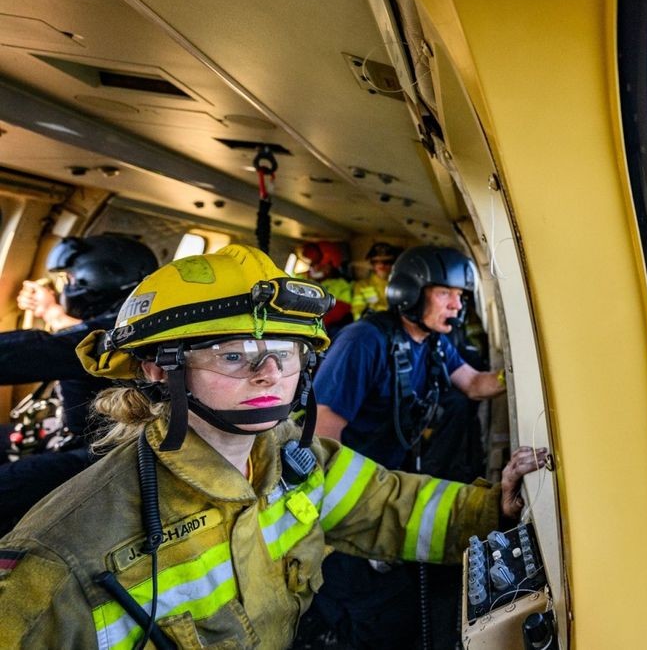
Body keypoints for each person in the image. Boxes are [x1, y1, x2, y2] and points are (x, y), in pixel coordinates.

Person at [0, 244, 546, 649]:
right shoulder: (59, 556)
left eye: (283, 352)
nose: (268, 375)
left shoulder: (299, 459)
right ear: (156, 368)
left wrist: (494, 506)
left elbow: (394, 507)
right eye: (233, 355)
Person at [299, 245, 506, 649]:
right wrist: (345, 520)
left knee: (398, 608)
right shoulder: (363, 342)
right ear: (411, 291)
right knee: (372, 613)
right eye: (446, 293)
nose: (456, 305)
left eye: (461, 297)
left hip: (384, 489)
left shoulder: (433, 342)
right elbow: (322, 439)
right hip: (348, 500)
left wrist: (525, 375)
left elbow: (475, 385)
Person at [0, 234, 158, 534]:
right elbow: (75, 338)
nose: (66, 287)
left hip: (101, 453)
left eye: (70, 279)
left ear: (98, 278)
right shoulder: (120, 321)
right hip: (66, 434)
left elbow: (50, 350)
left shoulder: (125, 332)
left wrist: (52, 315)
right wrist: (52, 314)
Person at [300, 240, 354, 338]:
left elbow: (339, 312)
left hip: (322, 329)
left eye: (318, 264)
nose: (314, 267)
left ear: (331, 264)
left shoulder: (341, 285)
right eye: (312, 263)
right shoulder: (299, 278)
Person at [351, 241, 400, 319]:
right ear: (372, 264)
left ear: (393, 264)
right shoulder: (362, 285)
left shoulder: (400, 284)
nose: (382, 265)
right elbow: (357, 312)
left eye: (387, 262)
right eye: (376, 262)